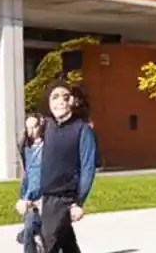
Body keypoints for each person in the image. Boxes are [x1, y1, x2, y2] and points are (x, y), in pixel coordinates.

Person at [37, 80, 99, 253]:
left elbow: (88, 167)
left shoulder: (82, 130)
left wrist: (78, 202)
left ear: (73, 101)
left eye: (65, 97)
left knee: (47, 244)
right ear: (49, 103)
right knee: (66, 243)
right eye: (54, 97)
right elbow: (37, 163)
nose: (60, 101)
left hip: (65, 199)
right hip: (46, 197)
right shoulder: (47, 127)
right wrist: (30, 195)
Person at [15, 114, 46, 253]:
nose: (31, 131)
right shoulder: (26, 147)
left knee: (45, 232)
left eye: (34, 126)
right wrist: (23, 196)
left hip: (46, 196)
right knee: (29, 229)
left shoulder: (49, 147)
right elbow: (26, 173)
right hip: (30, 196)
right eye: (28, 128)